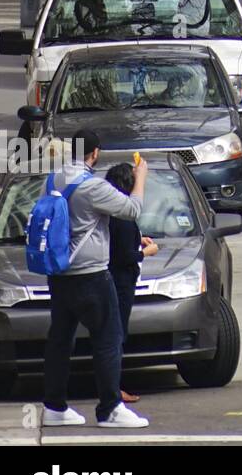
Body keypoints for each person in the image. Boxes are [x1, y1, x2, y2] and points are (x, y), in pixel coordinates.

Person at [41, 129, 150, 429]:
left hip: (59, 273)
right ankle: (110, 408)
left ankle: (54, 406)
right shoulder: (92, 186)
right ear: (94, 154)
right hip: (91, 276)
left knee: (60, 340)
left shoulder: (53, 180)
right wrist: (140, 177)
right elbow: (132, 209)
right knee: (108, 338)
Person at [103, 163, 159, 406]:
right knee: (116, 334)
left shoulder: (108, 213)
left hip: (108, 279)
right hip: (121, 282)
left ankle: (113, 387)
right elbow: (125, 256)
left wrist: (137, 239)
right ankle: (113, 389)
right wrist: (147, 252)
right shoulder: (124, 216)